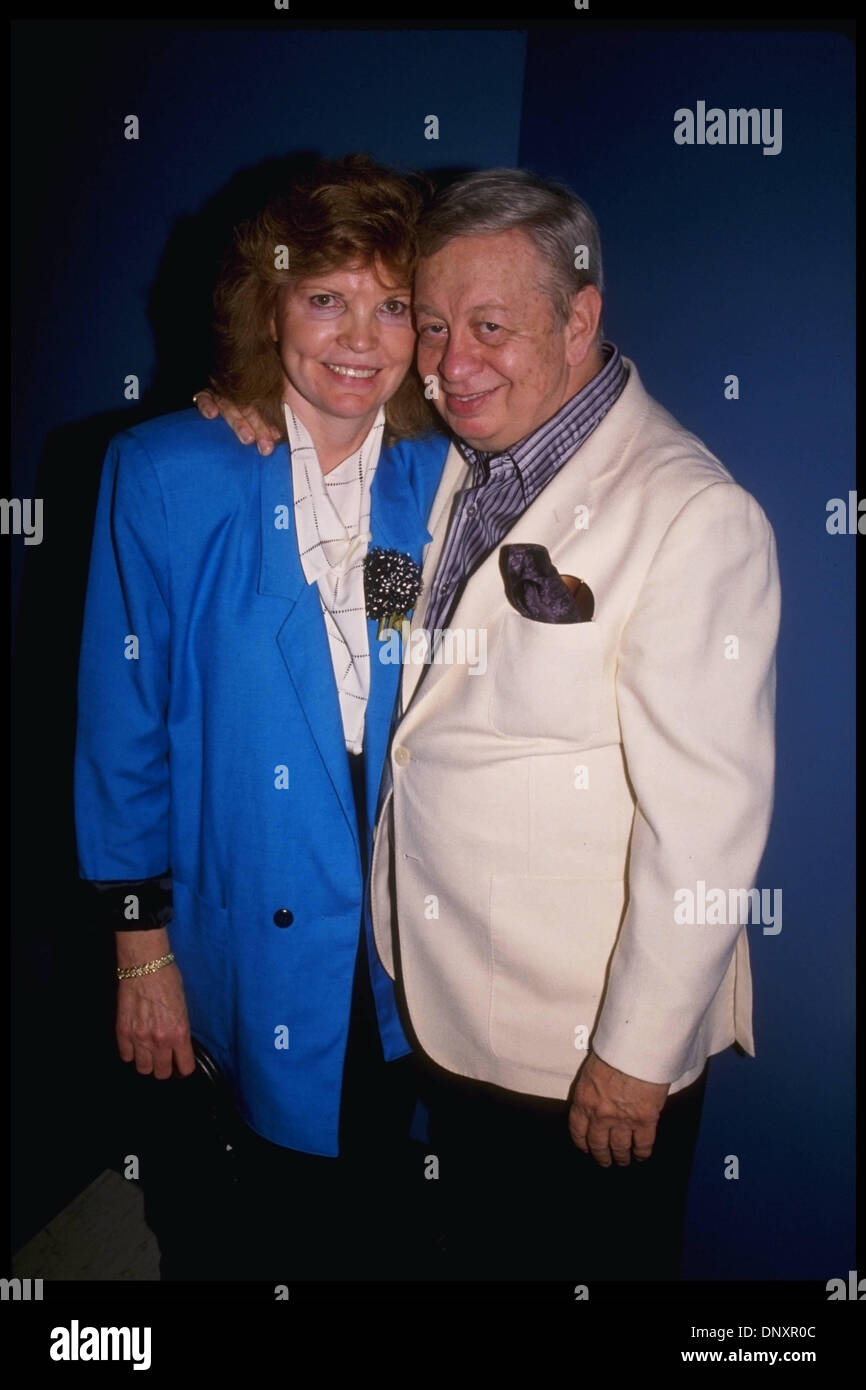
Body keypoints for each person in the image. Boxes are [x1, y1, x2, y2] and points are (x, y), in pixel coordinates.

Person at [206, 167, 781, 1282]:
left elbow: (708, 827)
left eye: (488, 327)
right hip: (450, 1004)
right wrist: (243, 395)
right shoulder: (459, 462)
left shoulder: (690, 514)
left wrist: (631, 1057)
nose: (448, 363)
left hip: (582, 1050)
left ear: (579, 319)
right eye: (431, 326)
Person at [74, 154, 450, 1281]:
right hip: (241, 912)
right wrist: (141, 952)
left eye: (390, 306)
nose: (358, 336)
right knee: (234, 1220)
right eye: (324, 297)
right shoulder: (169, 470)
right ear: (267, 305)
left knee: (376, 1197)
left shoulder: (436, 482)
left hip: (390, 925)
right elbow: (121, 726)